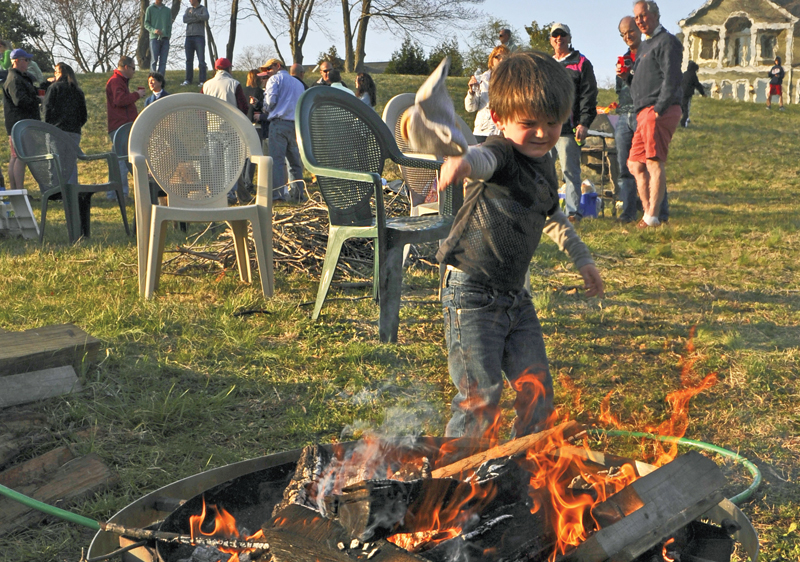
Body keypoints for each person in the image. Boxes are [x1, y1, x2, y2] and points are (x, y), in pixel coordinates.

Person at [432, 52, 604, 438]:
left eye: (552, 122)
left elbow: (553, 215)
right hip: (472, 293)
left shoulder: (542, 160)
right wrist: (463, 163)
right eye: (529, 123)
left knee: (538, 393)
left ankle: (523, 473)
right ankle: (453, 485)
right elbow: (483, 159)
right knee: (480, 401)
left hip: (516, 297)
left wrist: (582, 259)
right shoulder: (503, 152)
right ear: (498, 117)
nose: (543, 133)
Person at [628, 0, 682, 229]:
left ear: (656, 15)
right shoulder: (644, 46)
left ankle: (652, 216)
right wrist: (626, 79)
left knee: (653, 161)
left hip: (657, 109)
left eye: (643, 15)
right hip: (642, 111)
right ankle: (649, 212)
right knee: (634, 164)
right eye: (636, 17)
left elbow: (671, 77)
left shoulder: (668, 42)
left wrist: (659, 109)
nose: (639, 20)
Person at [614, 15, 668, 225]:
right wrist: (623, 76)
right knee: (626, 168)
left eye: (631, 31)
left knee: (653, 164)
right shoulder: (625, 57)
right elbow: (623, 90)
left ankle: (659, 214)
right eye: (623, 34)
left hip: (645, 114)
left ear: (640, 29)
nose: (628, 36)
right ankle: (628, 214)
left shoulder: (651, 52)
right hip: (624, 116)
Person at [549, 23, 598, 225]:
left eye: (562, 35)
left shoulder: (582, 63)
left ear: (569, 38)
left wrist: (584, 122)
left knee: (570, 172)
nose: (559, 38)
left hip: (569, 129)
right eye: (555, 35)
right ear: (551, 40)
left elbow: (589, 95)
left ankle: (573, 213)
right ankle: (547, 210)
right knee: (542, 171)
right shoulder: (547, 64)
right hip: (546, 128)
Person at [203, 57, 249, 203]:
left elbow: (200, 108)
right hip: (231, 128)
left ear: (216, 69)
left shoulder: (207, 85)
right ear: (229, 69)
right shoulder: (234, 84)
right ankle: (229, 194)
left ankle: (217, 194)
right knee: (231, 163)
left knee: (215, 163)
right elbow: (243, 107)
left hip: (212, 127)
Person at [260, 58, 305, 202]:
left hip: (279, 123)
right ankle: (298, 194)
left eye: (268, 69)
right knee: (294, 162)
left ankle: (277, 196)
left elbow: (270, 102)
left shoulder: (274, 80)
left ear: (277, 66)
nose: (267, 72)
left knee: (277, 162)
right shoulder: (298, 83)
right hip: (295, 124)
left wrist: (264, 108)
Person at [106, 56, 145, 199]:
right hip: (120, 127)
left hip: (119, 126)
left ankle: (113, 194)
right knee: (122, 161)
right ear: (126, 67)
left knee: (118, 160)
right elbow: (120, 100)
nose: (134, 72)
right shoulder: (116, 81)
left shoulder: (119, 81)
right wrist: (137, 95)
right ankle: (119, 194)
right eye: (134, 68)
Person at [43, 63, 88, 185]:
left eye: (56, 72)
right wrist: (76, 126)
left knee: (56, 163)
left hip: (56, 130)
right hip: (74, 131)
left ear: (59, 74)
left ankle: (57, 192)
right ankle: (72, 191)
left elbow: (47, 109)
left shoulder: (54, 88)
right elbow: (83, 115)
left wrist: (49, 126)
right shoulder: (78, 91)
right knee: (70, 164)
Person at [3, 49, 41, 191]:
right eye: (26, 60)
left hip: (18, 123)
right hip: (20, 123)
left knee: (16, 156)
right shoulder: (14, 79)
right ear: (17, 61)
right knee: (21, 157)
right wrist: (38, 100)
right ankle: (18, 191)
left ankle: (16, 191)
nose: (28, 63)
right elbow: (20, 100)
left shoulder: (19, 77)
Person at [465, 45, 509, 142]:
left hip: (502, 133)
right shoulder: (481, 79)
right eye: (497, 57)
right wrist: (471, 92)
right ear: (491, 60)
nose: (501, 60)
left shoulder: (513, 82)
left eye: (504, 58)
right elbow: (470, 108)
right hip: (482, 132)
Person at [182, 0, 209, 86]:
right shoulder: (188, 9)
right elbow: (185, 19)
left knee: (201, 60)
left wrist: (194, 15)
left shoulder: (203, 9)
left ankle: (202, 80)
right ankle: (188, 80)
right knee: (189, 60)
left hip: (199, 37)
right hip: (189, 37)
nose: (189, 0)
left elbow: (205, 17)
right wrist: (197, 19)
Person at [144, 0, 173, 75]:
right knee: (154, 60)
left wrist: (168, 35)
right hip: (154, 38)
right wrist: (154, 30)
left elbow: (169, 24)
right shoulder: (149, 9)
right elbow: (146, 24)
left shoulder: (167, 10)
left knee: (163, 61)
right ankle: (153, 78)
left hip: (165, 38)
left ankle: (161, 79)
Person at [680, 60, 705, 127]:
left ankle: (678, 120)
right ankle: (684, 122)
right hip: (687, 94)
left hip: (680, 93)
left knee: (681, 107)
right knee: (686, 109)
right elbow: (698, 85)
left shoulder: (684, 74)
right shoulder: (693, 76)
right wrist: (703, 93)